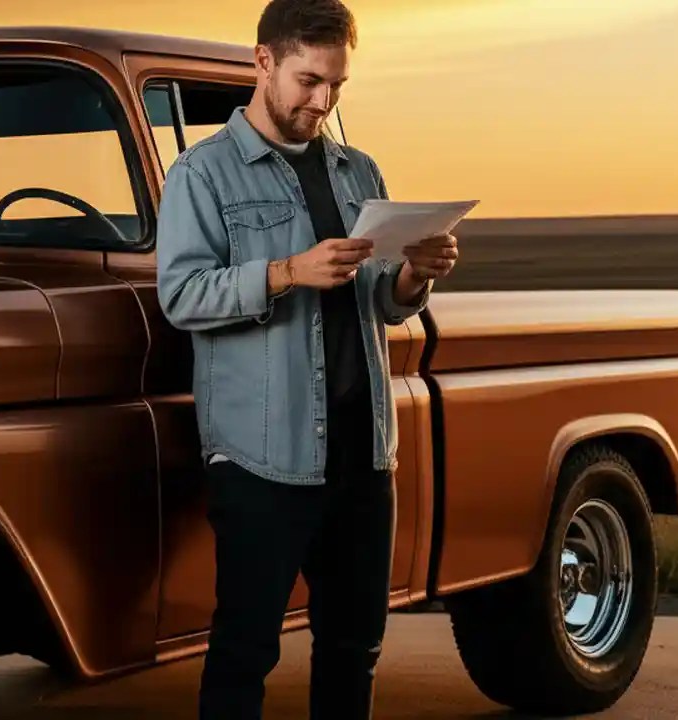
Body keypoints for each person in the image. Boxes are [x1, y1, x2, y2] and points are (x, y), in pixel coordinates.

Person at [156, 0, 459, 717]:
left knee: (355, 646)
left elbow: (381, 300)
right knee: (244, 653)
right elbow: (182, 295)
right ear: (263, 62)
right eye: (308, 81)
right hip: (264, 457)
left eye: (337, 86)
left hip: (363, 453)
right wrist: (287, 271)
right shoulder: (202, 176)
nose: (321, 101)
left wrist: (418, 274)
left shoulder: (360, 171)